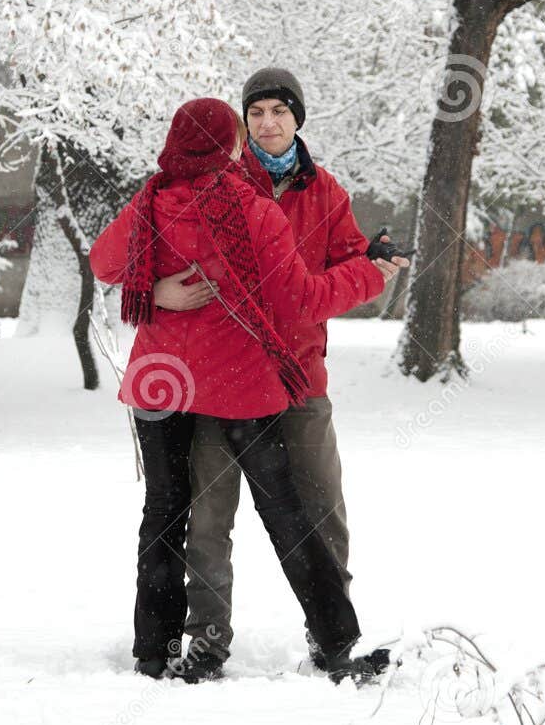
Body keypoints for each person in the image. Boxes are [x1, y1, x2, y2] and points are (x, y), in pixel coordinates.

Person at [88, 97, 393, 683]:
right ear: (229, 145)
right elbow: (300, 299)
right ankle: (336, 642)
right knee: (288, 516)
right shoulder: (250, 210)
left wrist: (152, 289)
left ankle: (157, 651)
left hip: (162, 384)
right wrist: (372, 274)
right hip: (239, 387)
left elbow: (104, 262)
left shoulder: (150, 201)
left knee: (166, 516)